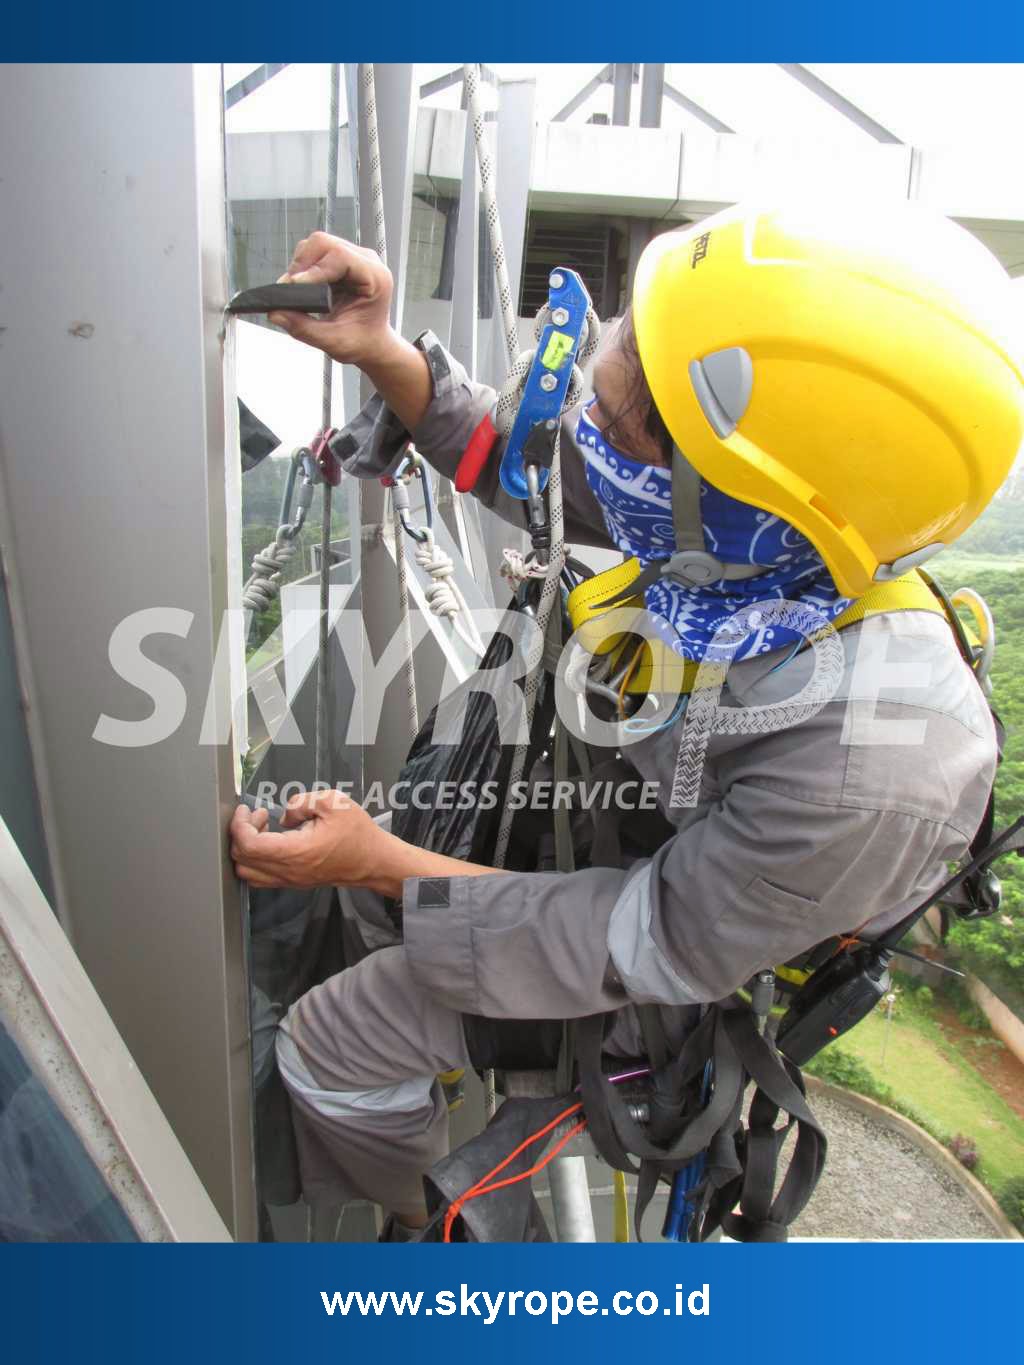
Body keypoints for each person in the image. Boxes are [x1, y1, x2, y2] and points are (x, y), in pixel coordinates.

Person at [230, 202, 1024, 1237]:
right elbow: (532, 466)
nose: (579, 431)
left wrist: (377, 865)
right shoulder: (758, 528)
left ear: (721, 502)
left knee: (343, 1034)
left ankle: (422, 1218)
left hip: (678, 959)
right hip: (635, 827)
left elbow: (654, 940)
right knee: (388, 884)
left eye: (608, 418)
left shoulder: (873, 768)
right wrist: (381, 349)